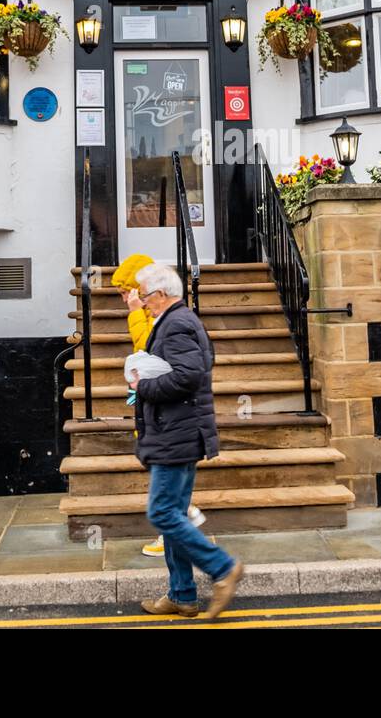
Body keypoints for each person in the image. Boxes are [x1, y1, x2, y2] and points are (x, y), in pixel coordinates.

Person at [132, 262, 243, 619]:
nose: (142, 302)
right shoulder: (177, 320)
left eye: (145, 296)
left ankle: (222, 568)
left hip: (176, 434)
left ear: (161, 295)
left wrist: (142, 387)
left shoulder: (177, 323)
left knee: (162, 512)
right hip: (177, 431)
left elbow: (188, 376)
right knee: (174, 514)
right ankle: (182, 594)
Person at [111, 253, 206, 558]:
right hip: (163, 416)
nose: (126, 298)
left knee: (165, 495)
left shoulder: (169, 320)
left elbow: (147, 348)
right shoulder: (162, 316)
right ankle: (181, 581)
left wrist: (135, 313)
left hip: (171, 421)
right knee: (165, 482)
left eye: (128, 292)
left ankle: (210, 554)